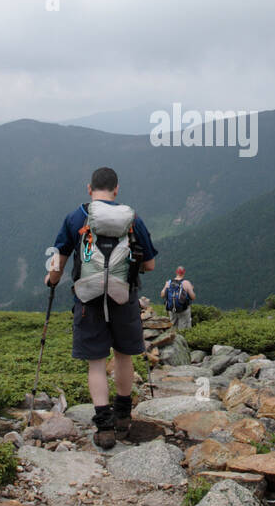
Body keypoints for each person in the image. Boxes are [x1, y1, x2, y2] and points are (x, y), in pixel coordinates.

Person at [45, 167, 157, 449]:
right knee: (123, 355)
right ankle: (123, 417)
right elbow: (150, 265)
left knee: (96, 362)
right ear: (116, 189)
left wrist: (52, 279)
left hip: (88, 300)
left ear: (89, 188)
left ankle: (104, 428)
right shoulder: (132, 218)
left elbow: (59, 260)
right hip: (124, 296)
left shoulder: (75, 217)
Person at [161, 266, 196, 332]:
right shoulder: (186, 283)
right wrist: (191, 289)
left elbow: (162, 295)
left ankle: (173, 339)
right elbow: (193, 297)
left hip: (172, 308)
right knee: (184, 327)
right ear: (184, 273)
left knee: (173, 326)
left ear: (176, 272)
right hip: (183, 309)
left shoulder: (169, 282)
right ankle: (183, 339)